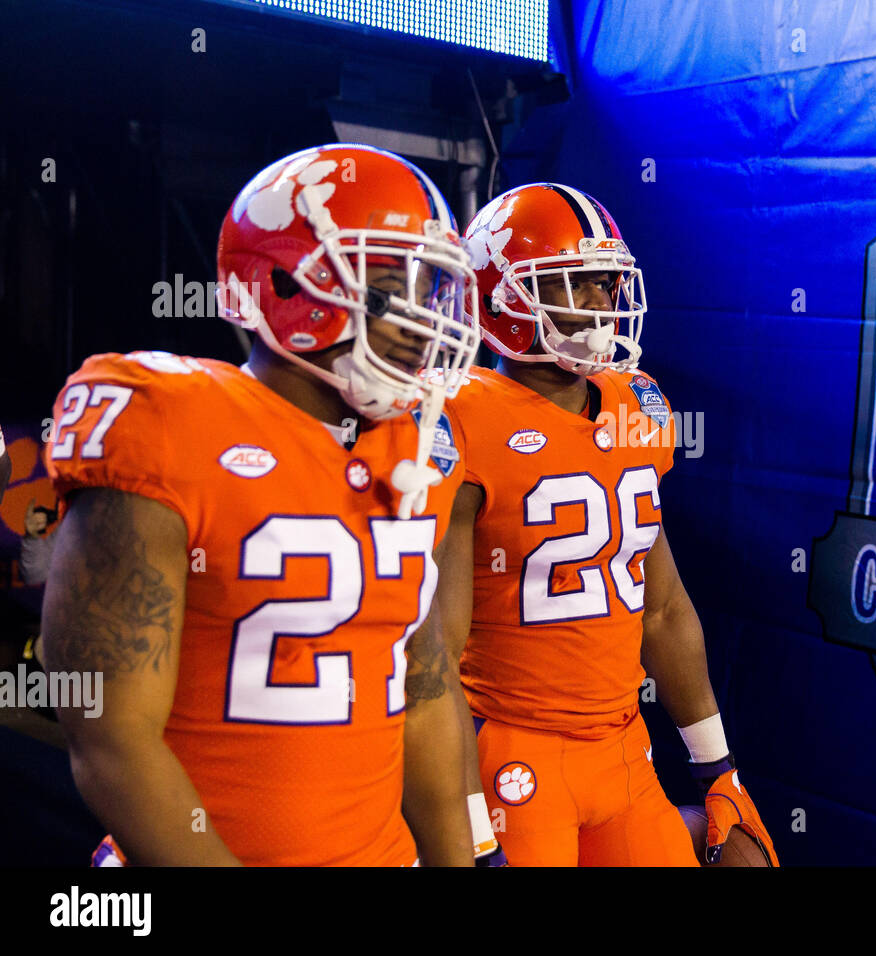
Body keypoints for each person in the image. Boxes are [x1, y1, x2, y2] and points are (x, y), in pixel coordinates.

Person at [41, 144, 481, 866]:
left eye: (430, 288)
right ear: (281, 283)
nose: (421, 319)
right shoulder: (170, 420)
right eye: (383, 289)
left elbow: (424, 686)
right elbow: (109, 737)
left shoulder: (411, 447)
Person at [438, 182, 778, 866]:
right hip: (512, 751)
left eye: (606, 284)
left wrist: (718, 772)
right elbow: (432, 653)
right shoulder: (458, 418)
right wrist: (470, 829)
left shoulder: (637, 402)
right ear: (501, 296)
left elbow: (663, 610)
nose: (601, 304)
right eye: (576, 283)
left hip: (623, 748)